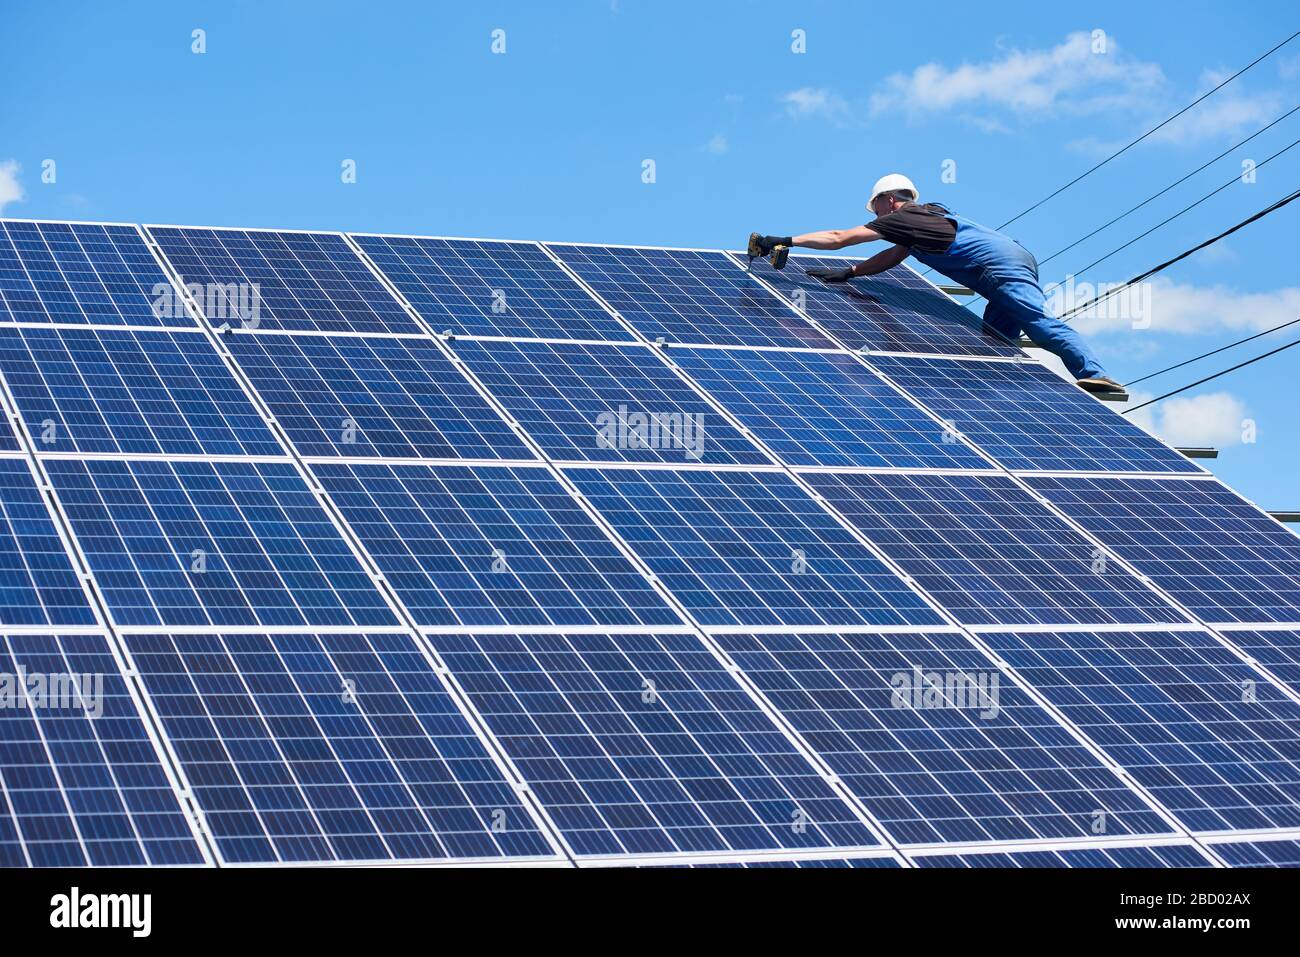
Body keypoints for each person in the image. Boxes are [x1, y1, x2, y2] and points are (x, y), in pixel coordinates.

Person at [752, 173, 1123, 394]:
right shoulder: (926, 214)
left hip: (997, 267)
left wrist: (783, 239)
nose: (875, 214)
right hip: (1005, 263)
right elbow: (894, 256)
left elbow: (838, 237)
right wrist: (851, 274)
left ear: (890, 200)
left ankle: (1095, 374)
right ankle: (1010, 399)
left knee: (1038, 325)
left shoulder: (902, 217)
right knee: (995, 342)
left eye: (876, 206)